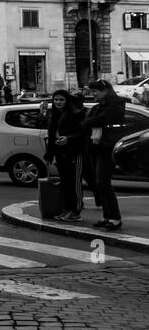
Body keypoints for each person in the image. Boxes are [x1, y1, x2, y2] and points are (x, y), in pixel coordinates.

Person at [82, 80, 125, 230]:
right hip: (97, 147)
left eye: (95, 91)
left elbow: (98, 119)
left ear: (105, 90)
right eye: (91, 91)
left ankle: (115, 218)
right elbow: (88, 121)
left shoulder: (115, 104)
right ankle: (108, 216)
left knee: (103, 182)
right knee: (99, 183)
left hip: (106, 147)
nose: (93, 94)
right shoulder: (100, 105)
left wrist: (89, 121)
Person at [43, 90, 88, 223]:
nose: (58, 102)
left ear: (67, 100)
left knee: (75, 183)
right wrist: (50, 153)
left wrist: (68, 139)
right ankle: (68, 209)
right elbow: (52, 135)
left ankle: (76, 211)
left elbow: (83, 134)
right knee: (66, 184)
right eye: (56, 99)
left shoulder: (75, 114)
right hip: (60, 154)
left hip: (74, 153)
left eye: (61, 99)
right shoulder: (55, 114)